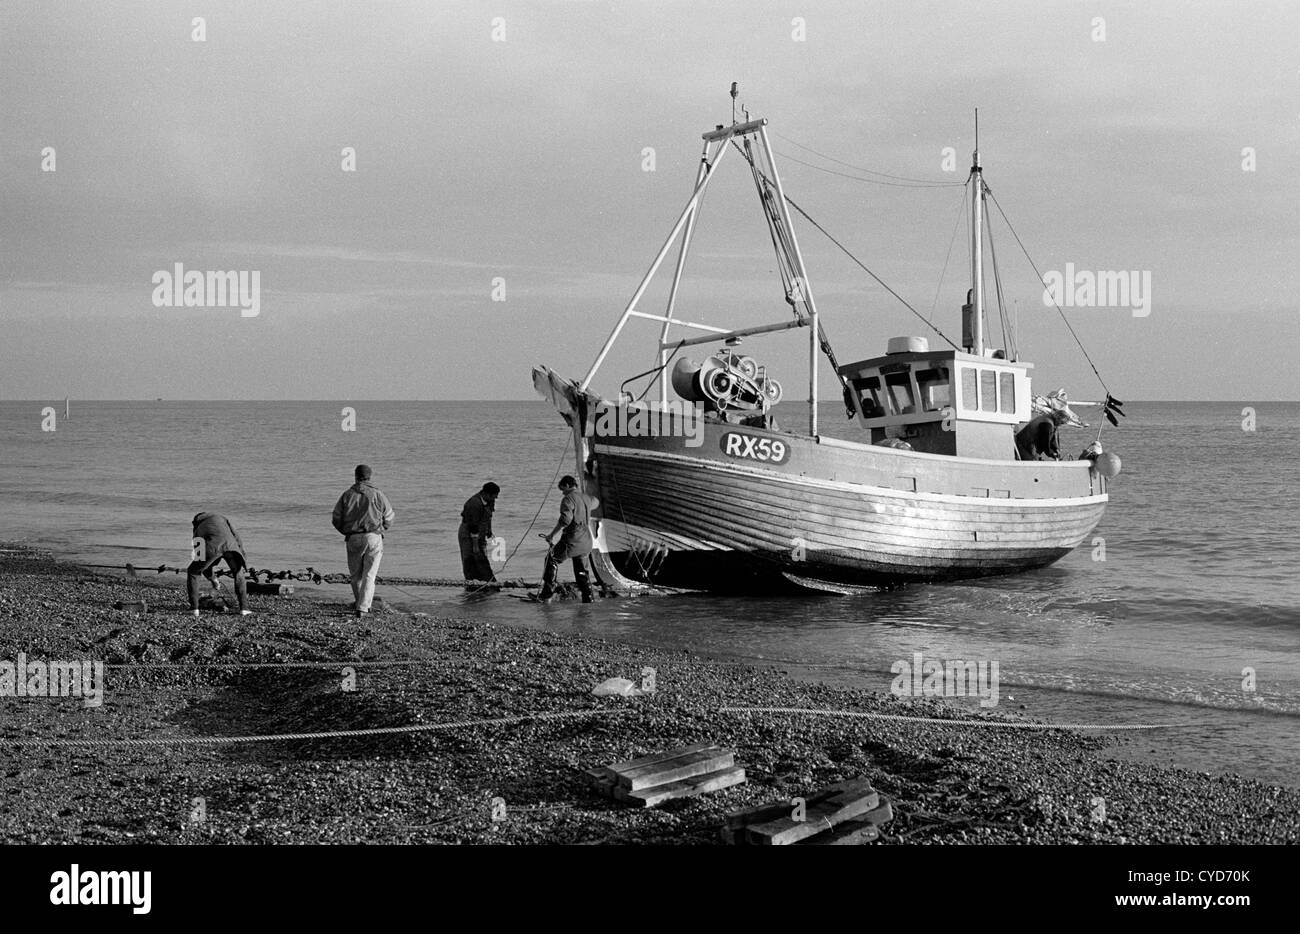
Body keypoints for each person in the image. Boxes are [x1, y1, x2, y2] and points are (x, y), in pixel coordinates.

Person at [331, 464, 394, 617]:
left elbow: (336, 518)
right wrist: (382, 529)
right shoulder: (378, 494)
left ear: (355, 476)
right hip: (373, 536)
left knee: (355, 575)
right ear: (370, 477)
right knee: (369, 575)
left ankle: (360, 603)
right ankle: (363, 607)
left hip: (353, 537)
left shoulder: (347, 495)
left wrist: (345, 531)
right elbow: (390, 516)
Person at [539, 475, 597, 603]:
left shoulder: (568, 499)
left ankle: (547, 594)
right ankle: (588, 600)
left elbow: (565, 520)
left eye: (562, 489)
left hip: (572, 540)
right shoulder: (587, 498)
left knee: (551, 559)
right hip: (586, 541)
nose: (562, 493)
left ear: (567, 485)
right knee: (582, 571)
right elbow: (596, 502)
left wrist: (551, 535)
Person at [187, 511, 251, 617]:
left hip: (212, 548)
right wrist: (243, 559)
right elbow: (237, 538)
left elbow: (200, 555)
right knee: (239, 573)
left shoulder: (198, 528)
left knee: (193, 572)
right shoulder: (222, 519)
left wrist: (213, 579)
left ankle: (194, 609)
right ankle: (244, 608)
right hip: (231, 546)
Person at [459, 482, 500, 583]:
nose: (495, 499)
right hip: (468, 533)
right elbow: (473, 527)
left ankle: (486, 582)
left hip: (480, 531)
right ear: (486, 494)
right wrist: (475, 545)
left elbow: (489, 515)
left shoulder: (489, 500)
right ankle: (472, 583)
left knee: (481, 557)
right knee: (470, 558)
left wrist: (489, 529)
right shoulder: (473, 504)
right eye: (494, 496)